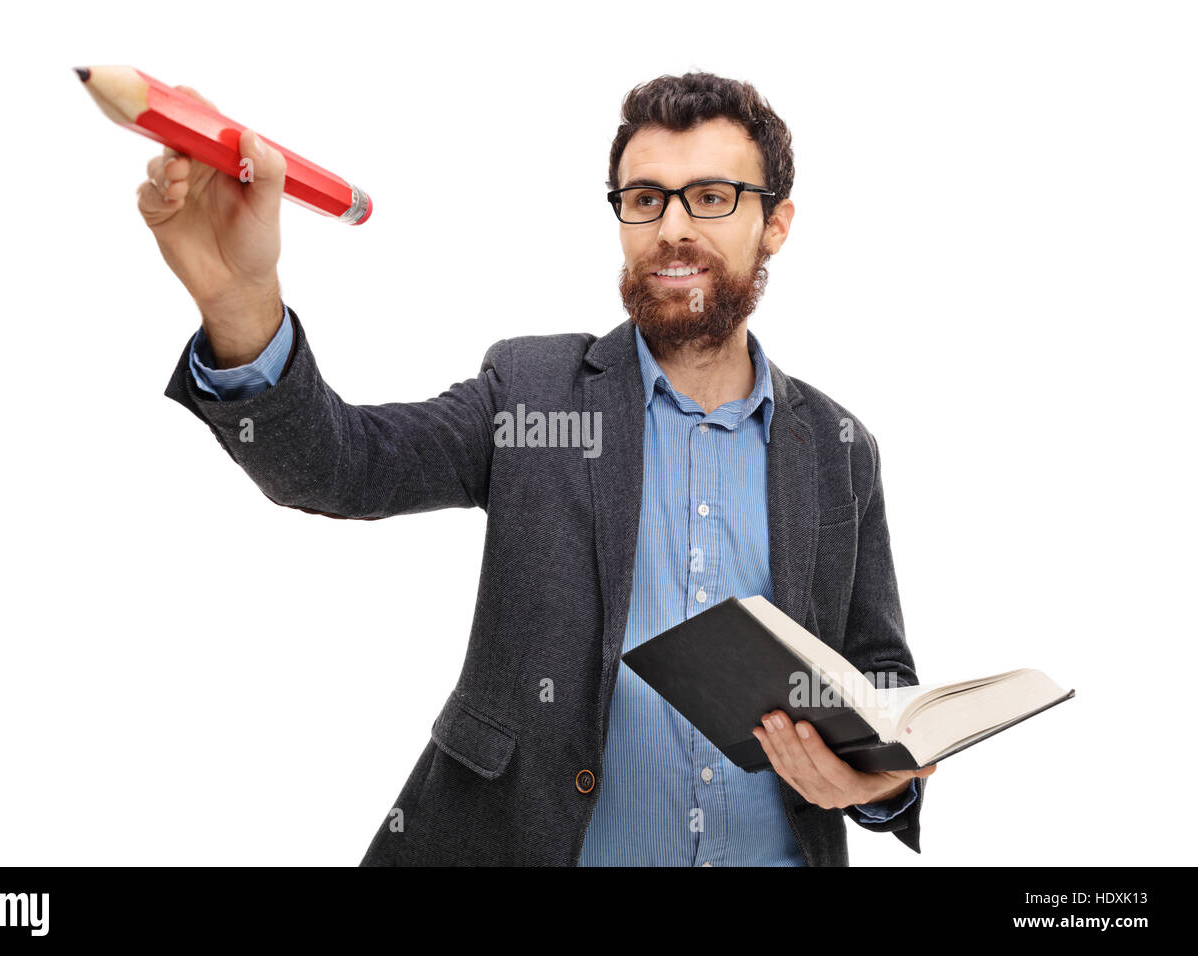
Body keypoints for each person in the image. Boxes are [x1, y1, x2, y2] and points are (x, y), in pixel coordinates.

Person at [140, 71, 936, 866]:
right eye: (646, 198)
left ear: (776, 223)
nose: (673, 228)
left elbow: (878, 672)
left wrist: (882, 781)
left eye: (713, 197)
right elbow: (343, 466)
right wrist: (242, 309)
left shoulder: (838, 446)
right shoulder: (532, 393)